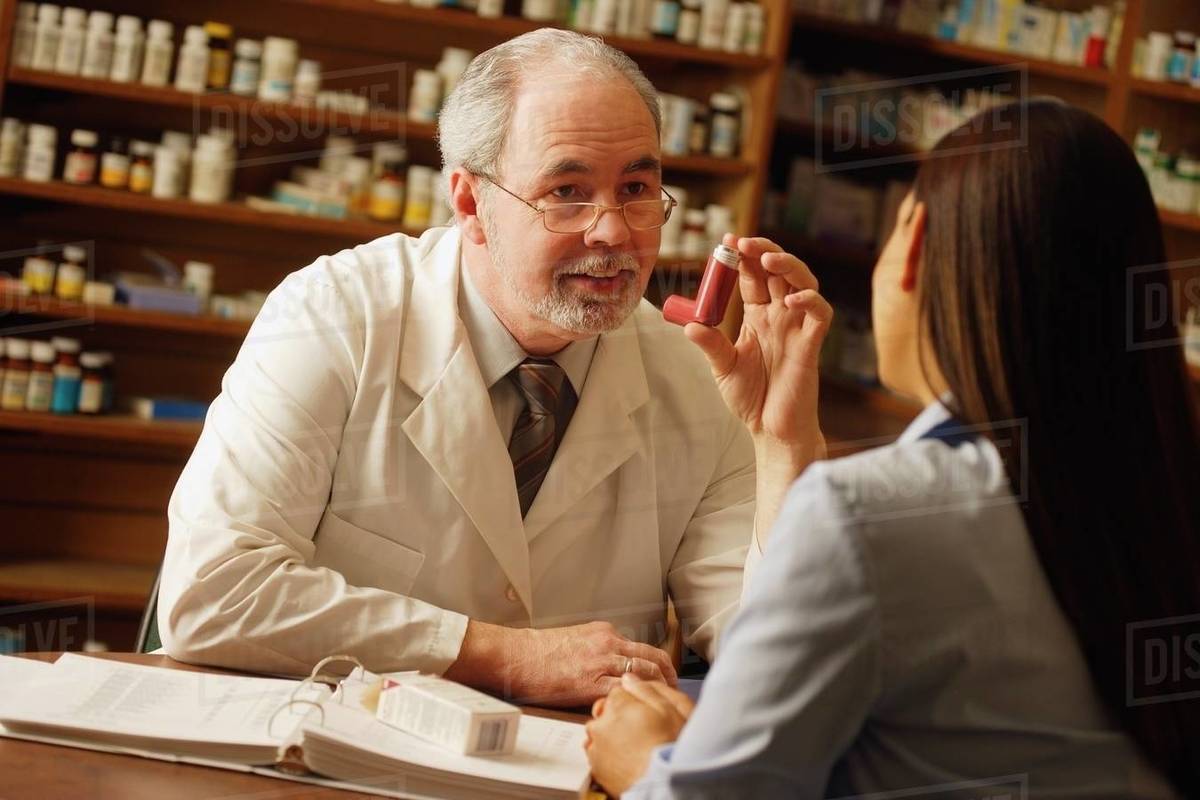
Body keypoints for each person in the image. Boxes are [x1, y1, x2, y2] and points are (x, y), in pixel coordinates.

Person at [158, 28, 825, 707]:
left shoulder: (693, 376)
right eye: (566, 190)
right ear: (472, 204)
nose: (614, 231)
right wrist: (499, 654)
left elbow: (779, 660)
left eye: (635, 187)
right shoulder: (333, 316)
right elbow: (212, 591)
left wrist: (784, 445)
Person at [586, 100, 1200, 796]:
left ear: (915, 246)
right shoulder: (1158, 492)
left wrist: (644, 763)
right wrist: (783, 442)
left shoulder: (875, 511)